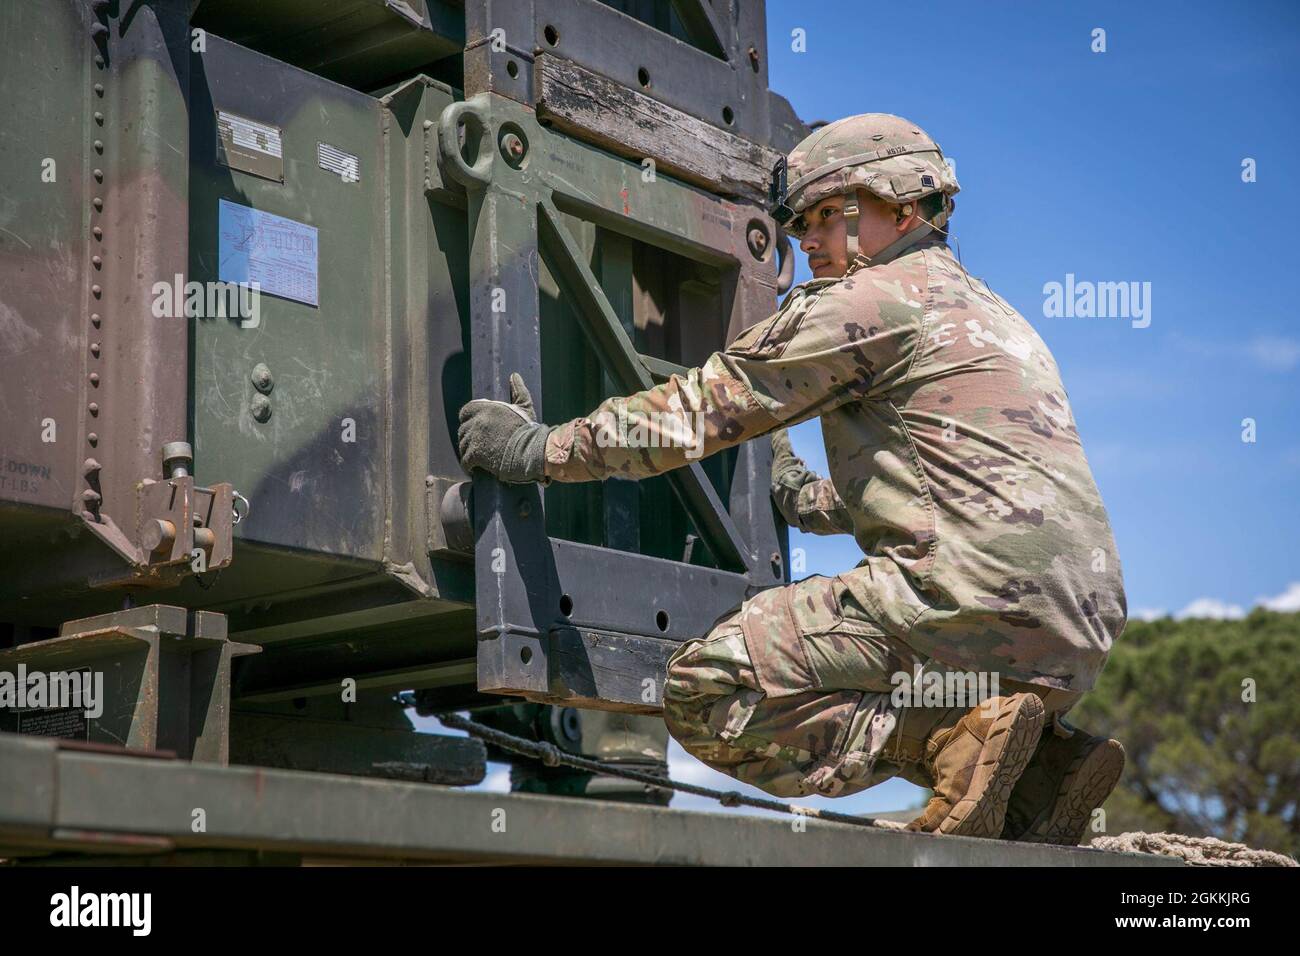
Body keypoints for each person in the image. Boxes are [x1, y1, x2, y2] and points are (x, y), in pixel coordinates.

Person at [457, 113, 1127, 843]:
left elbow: (701, 408)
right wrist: (800, 495)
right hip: (1075, 632)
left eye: (826, 216)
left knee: (708, 690)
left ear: (902, 208)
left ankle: (950, 746)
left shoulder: (868, 301)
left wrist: (540, 450)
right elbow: (956, 485)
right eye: (799, 222)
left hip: (960, 606)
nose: (805, 240)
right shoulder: (996, 317)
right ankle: (1034, 770)